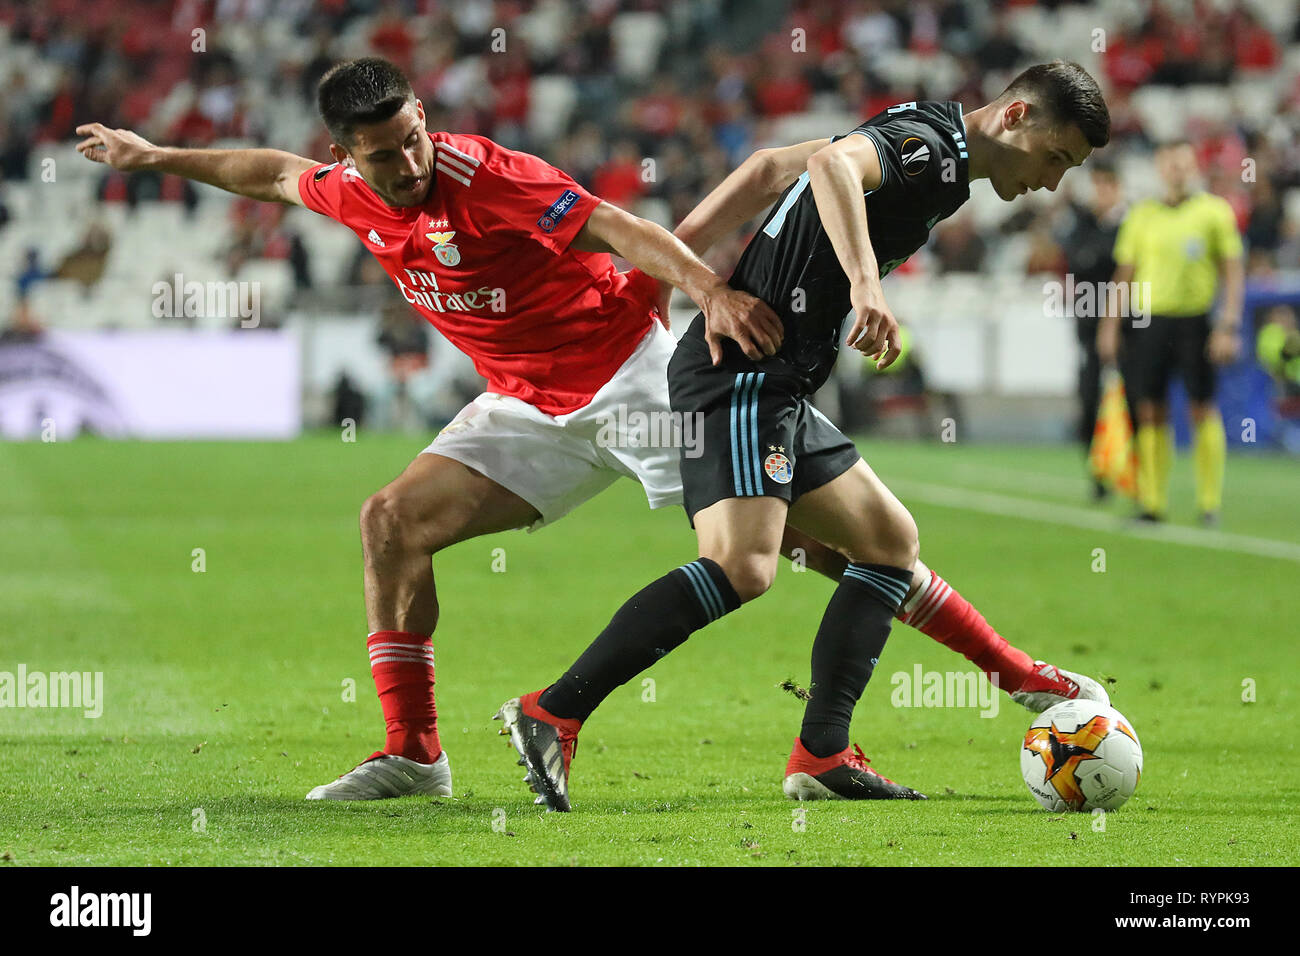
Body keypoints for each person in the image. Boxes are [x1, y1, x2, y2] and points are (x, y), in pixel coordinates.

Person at [76, 56, 1101, 806]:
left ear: (427, 117)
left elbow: (618, 226)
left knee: (825, 548)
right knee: (389, 520)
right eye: (382, 156)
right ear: (349, 156)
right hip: (527, 400)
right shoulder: (351, 190)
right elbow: (263, 173)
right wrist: (153, 152)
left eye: (414, 138)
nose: (406, 163)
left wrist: (706, 288)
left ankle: (985, 681)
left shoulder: (488, 175)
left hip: (633, 374)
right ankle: (414, 755)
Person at [498, 61, 1112, 811]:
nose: (1051, 182)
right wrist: (863, 284)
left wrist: (678, 267)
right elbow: (827, 164)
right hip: (745, 371)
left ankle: (823, 752)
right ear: (1016, 116)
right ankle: (553, 711)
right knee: (743, 566)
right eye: (1056, 158)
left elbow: (766, 169)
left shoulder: (935, 139)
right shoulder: (931, 150)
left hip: (776, 379)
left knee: (888, 542)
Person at [1097, 141, 1245, 525]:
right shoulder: (1142, 215)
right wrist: (1110, 326)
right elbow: (1123, 277)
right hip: (1150, 323)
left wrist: (1228, 324)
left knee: (1201, 408)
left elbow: (1232, 271)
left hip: (1196, 322)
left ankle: (1209, 503)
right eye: (1169, 163)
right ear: (1160, 168)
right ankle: (1153, 503)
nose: (1176, 170)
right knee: (1149, 410)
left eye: (1183, 163)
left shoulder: (1214, 212)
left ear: (1193, 166)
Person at [1058, 160, 1125, 499]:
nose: (1101, 193)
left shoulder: (1126, 225)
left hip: (1127, 325)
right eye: (1097, 185)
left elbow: (1093, 261)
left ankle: (1128, 472)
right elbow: (1077, 259)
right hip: (1089, 324)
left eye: (1106, 185)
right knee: (1090, 398)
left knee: (1129, 400)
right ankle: (1097, 473)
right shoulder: (1084, 224)